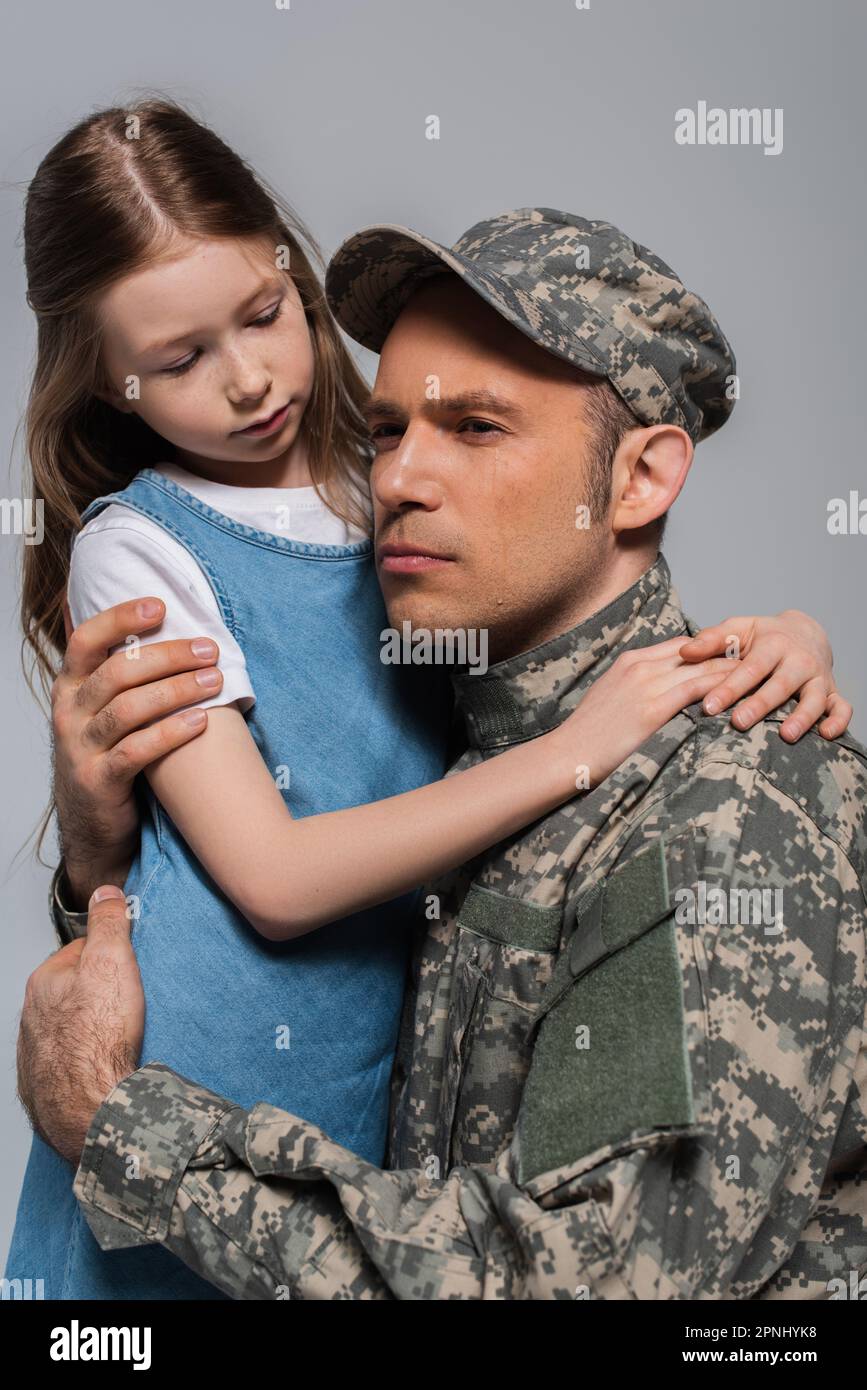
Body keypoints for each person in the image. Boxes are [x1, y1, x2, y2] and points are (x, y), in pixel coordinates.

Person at [15, 206, 866, 1300]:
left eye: (476, 428)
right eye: (384, 432)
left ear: (641, 480)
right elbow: (276, 917)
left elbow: (577, 1288)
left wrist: (127, 1129)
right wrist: (98, 864)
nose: (402, 483)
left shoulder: (734, 797)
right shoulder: (462, 749)